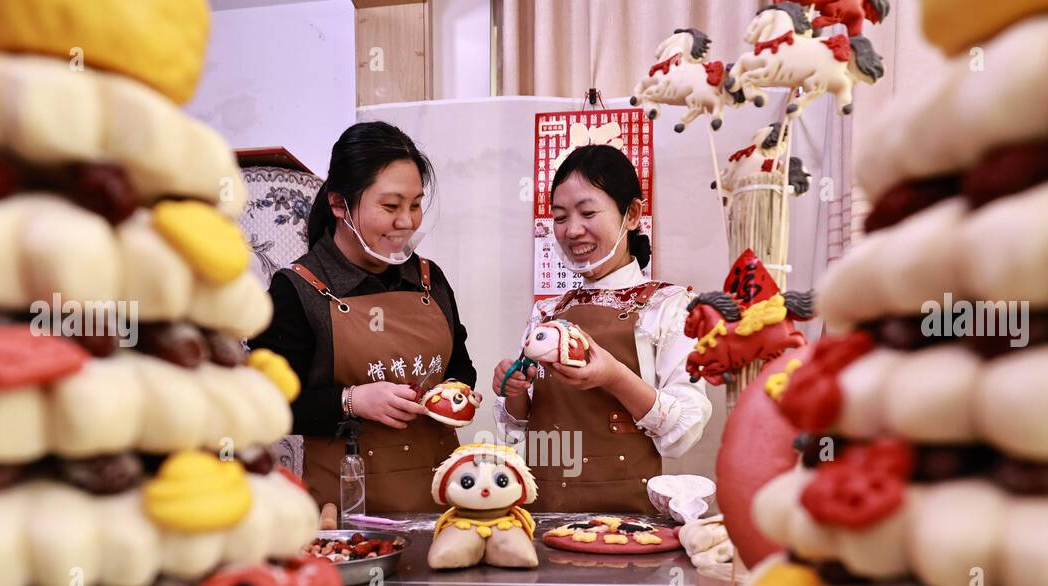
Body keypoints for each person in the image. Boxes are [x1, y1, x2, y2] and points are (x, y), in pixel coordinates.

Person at [258, 121, 478, 513]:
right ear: (340, 205)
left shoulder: (429, 278)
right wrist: (352, 401)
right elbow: (270, 405)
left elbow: (460, 368)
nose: (407, 222)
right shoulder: (298, 289)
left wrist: (458, 393)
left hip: (443, 501)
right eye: (390, 206)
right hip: (347, 512)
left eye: (415, 204)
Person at [494, 145, 711, 512]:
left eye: (588, 212)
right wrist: (512, 388)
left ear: (633, 214)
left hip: (627, 520)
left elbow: (682, 433)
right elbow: (516, 431)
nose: (572, 230)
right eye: (560, 217)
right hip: (544, 511)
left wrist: (613, 376)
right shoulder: (548, 310)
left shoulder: (669, 305)